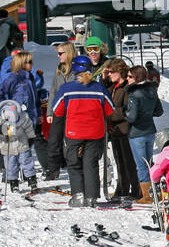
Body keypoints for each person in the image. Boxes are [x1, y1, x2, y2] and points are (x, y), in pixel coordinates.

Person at [54, 54, 113, 207]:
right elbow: (110, 110)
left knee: (73, 163)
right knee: (91, 163)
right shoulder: (99, 89)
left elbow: (57, 111)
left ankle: (78, 195)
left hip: (74, 132)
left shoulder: (66, 89)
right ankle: (92, 197)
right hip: (95, 132)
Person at [122, 65, 162, 205]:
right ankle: (155, 191)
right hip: (150, 130)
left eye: (129, 76)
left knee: (141, 165)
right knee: (150, 162)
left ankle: (146, 195)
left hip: (137, 132)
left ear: (137, 77)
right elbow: (159, 111)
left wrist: (124, 112)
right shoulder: (152, 91)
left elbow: (131, 117)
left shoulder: (134, 94)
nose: (127, 79)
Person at [102, 59, 140, 203]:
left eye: (112, 72)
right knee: (119, 161)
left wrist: (109, 113)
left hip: (125, 129)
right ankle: (122, 188)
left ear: (120, 72)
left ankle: (136, 190)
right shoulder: (114, 86)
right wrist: (104, 78)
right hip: (115, 130)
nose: (110, 74)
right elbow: (103, 92)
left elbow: (126, 110)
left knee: (129, 161)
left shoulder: (126, 87)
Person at [44, 42, 78, 180]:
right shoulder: (59, 68)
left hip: (73, 111)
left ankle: (72, 166)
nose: (58, 56)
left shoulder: (77, 69)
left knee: (71, 141)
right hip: (59, 109)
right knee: (54, 140)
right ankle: (53, 169)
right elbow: (53, 90)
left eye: (60, 53)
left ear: (68, 53)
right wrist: (49, 111)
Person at [0, 99, 37, 190]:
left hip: (22, 144)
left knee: (27, 162)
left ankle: (32, 180)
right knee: (10, 165)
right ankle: (13, 182)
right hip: (7, 146)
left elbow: (29, 127)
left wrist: (31, 137)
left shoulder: (24, 116)